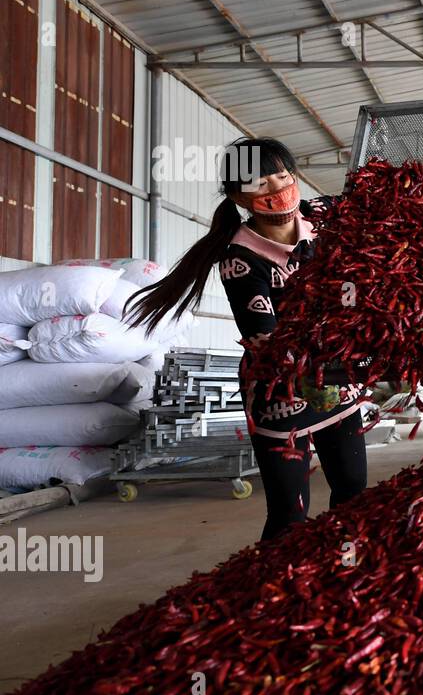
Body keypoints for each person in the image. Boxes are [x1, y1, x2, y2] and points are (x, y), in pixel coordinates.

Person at [127, 138, 367, 541]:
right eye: (261, 182)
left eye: (283, 175)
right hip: (281, 390)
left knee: (353, 495)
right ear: (239, 196)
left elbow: (378, 207)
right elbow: (267, 340)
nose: (277, 187)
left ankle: (340, 578)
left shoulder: (323, 216)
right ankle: (274, 592)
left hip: (336, 383)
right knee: (290, 513)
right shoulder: (241, 260)